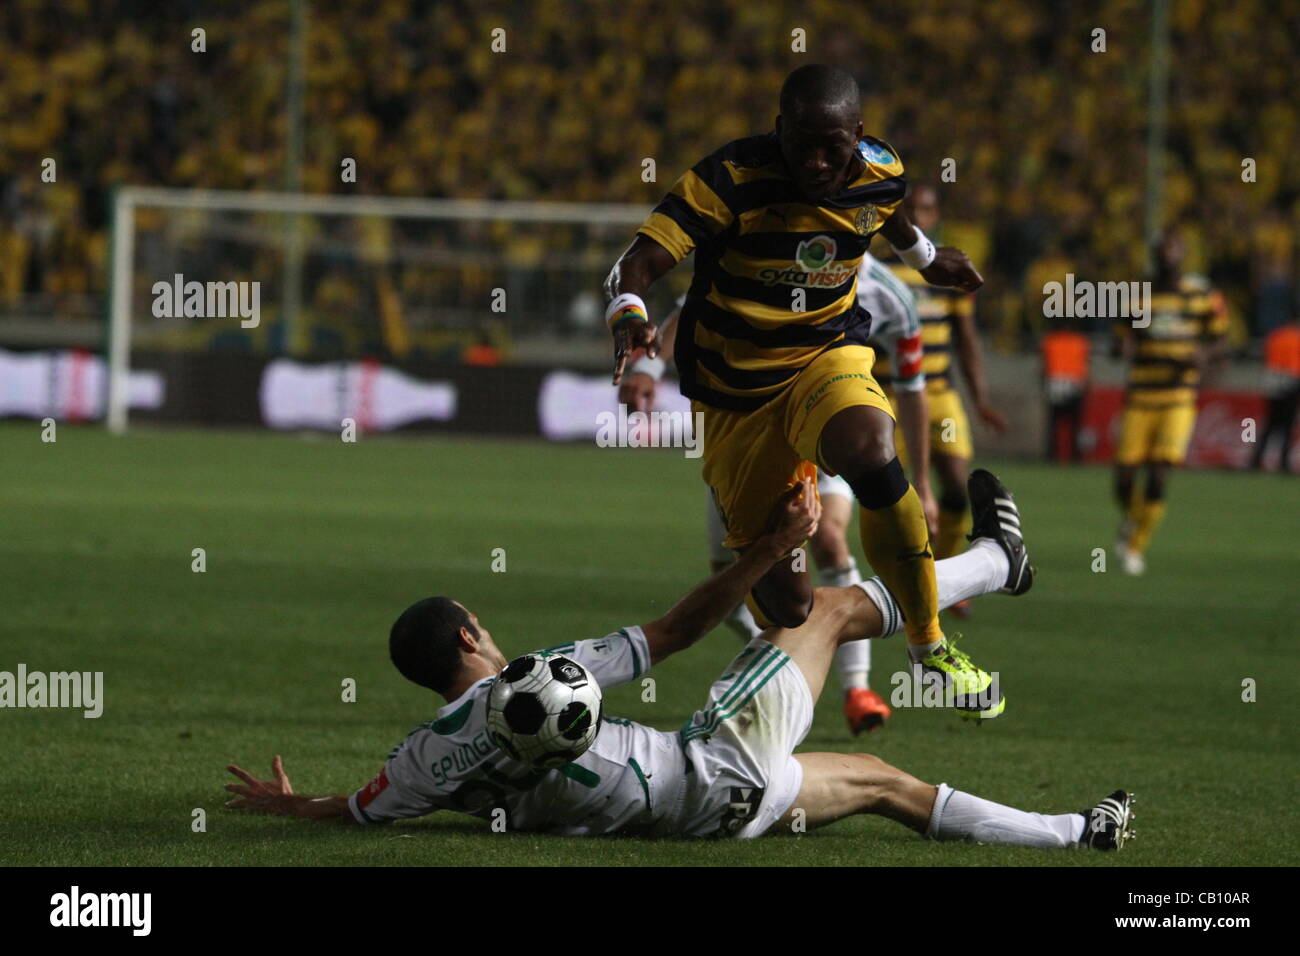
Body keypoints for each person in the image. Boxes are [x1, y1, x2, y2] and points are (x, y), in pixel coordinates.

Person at [225, 471, 1133, 849]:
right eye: (479, 619)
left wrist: (290, 803)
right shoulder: (547, 678)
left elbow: (360, 810)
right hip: (717, 761)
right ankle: (998, 563)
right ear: (469, 638)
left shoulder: (422, 759)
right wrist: (769, 549)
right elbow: (676, 631)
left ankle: (1075, 834)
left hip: (708, 818)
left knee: (883, 783)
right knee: (819, 611)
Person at [603, 64, 1008, 718]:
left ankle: (928, 642)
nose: (818, 162)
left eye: (834, 147)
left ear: (859, 137)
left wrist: (929, 259)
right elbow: (639, 262)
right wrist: (629, 317)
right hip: (736, 396)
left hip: (825, 357)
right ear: (777, 129)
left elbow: (892, 213)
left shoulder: (880, 170)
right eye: (802, 144)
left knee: (873, 453)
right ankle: (988, 566)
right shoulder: (728, 180)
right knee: (789, 606)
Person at [620, 252, 935, 734]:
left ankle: (857, 687)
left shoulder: (891, 294)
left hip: (826, 418)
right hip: (751, 430)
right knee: (735, 577)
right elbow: (693, 309)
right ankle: (786, 659)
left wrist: (924, 485)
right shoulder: (771, 249)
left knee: (829, 537)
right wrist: (649, 369)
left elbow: (913, 386)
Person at [877, 184, 1010, 616]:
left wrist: (981, 399)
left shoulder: (946, 270)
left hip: (939, 393)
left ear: (936, 217)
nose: (919, 215)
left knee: (956, 488)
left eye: (927, 209)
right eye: (910, 209)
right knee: (900, 498)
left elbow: (966, 340)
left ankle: (945, 571)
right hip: (890, 395)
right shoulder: (878, 270)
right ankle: (906, 580)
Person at [1113, 232, 1230, 575]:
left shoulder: (1204, 295)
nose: (1168, 258)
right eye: (1162, 252)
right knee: (1123, 478)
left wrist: (1203, 354)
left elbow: (1223, 341)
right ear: (1155, 256)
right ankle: (1132, 518)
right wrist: (1123, 347)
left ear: (1184, 255)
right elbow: (1120, 340)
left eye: (1173, 252)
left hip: (1178, 397)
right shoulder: (1137, 295)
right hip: (1140, 396)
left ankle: (1135, 546)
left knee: (1160, 474)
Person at [1251, 315, 1300, 473]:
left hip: (1272, 379)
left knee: (1270, 424)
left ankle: (1256, 460)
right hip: (1291, 379)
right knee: (1287, 426)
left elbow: (1265, 357)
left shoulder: (1275, 335)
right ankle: (1283, 462)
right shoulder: (1297, 337)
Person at [1041, 320, 1091, 462]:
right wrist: (1087, 384)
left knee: (1054, 423)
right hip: (1074, 382)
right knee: (1076, 423)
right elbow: (1086, 364)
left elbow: (1044, 365)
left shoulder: (1050, 340)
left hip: (1056, 382)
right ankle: (1076, 456)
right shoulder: (1080, 341)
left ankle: (1052, 455)